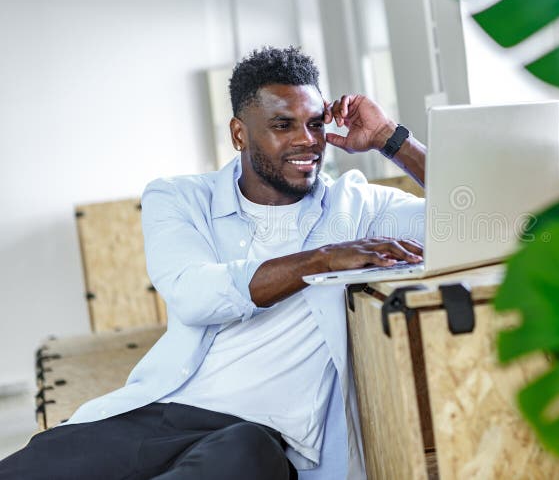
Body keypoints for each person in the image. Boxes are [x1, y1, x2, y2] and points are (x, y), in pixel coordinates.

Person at [0, 46, 426, 479]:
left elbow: (478, 221)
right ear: (239, 134)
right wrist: (324, 260)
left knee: (240, 456)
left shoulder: (356, 206)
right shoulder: (179, 197)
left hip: (258, 438)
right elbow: (195, 295)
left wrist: (392, 139)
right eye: (283, 125)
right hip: (161, 413)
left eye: (315, 123)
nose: (307, 140)